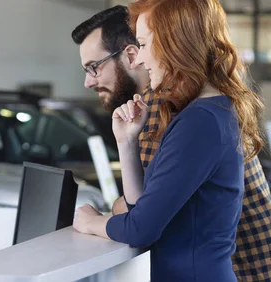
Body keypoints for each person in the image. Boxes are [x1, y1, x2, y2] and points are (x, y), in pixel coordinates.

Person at [71, 1, 270, 281]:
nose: (139, 59)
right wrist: (126, 143)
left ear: (173, 43)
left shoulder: (199, 120)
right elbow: (141, 209)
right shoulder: (204, 112)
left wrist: (92, 222)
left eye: (142, 44)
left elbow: (141, 227)